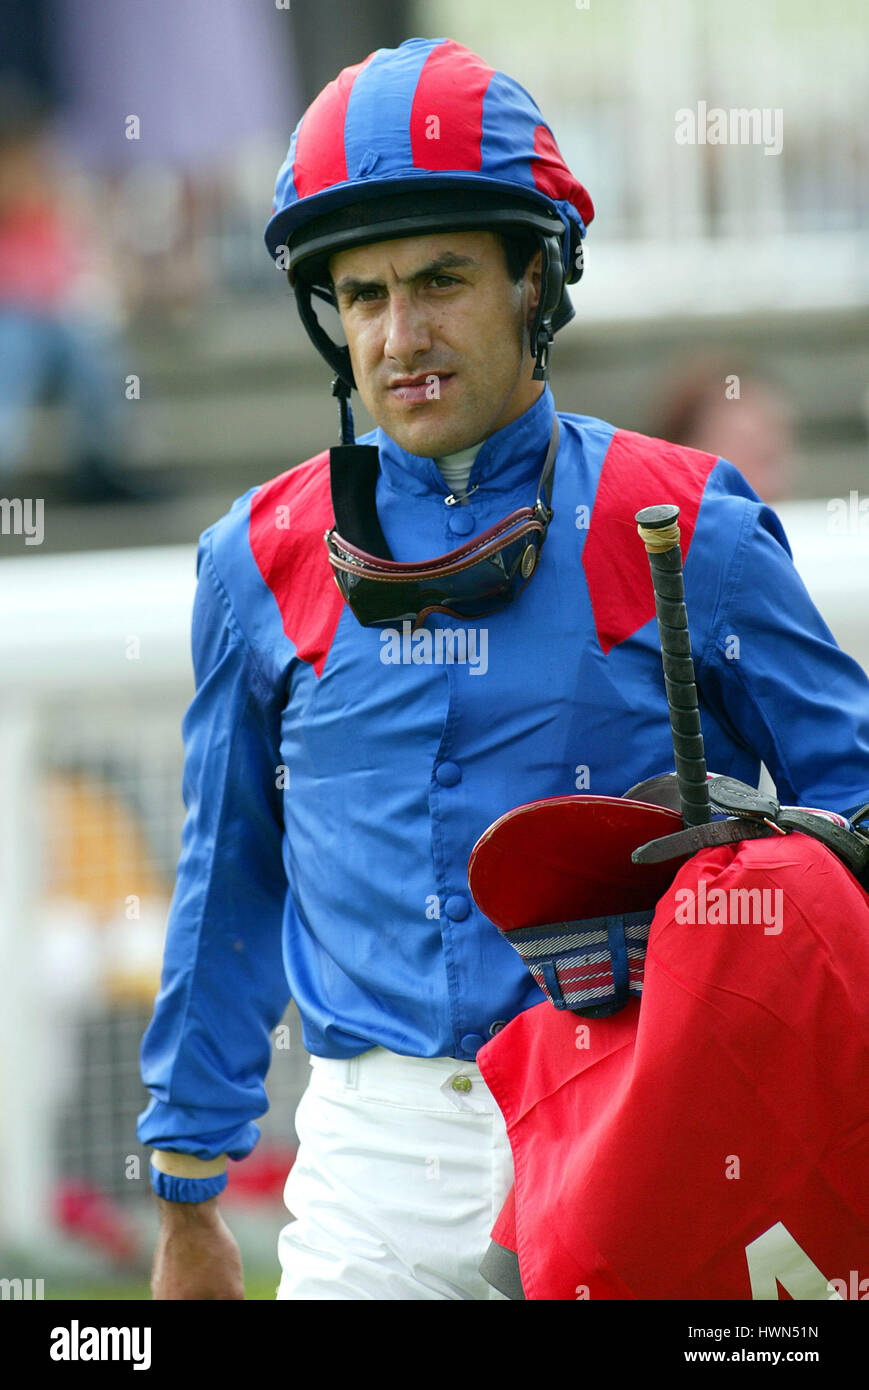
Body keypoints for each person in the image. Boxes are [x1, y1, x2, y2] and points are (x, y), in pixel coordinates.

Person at [138, 37, 869, 1301]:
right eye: (362, 296)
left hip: (648, 1120)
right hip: (375, 1168)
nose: (400, 335)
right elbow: (224, 884)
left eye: (438, 281)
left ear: (536, 279)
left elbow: (852, 822)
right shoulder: (250, 562)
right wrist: (189, 1185)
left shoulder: (692, 521)